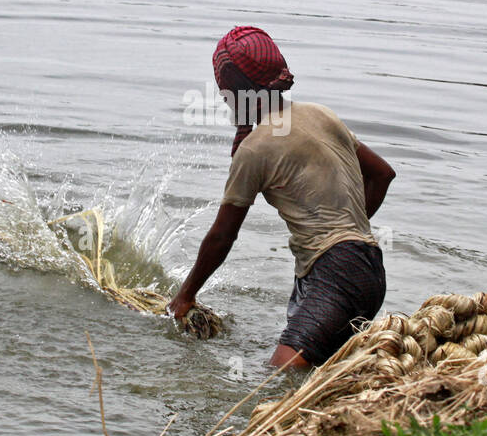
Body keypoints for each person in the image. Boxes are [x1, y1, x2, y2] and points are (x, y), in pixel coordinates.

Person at [167, 26, 396, 368]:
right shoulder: (321, 114)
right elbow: (382, 174)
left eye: (225, 91)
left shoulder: (255, 148)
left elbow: (222, 236)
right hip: (370, 268)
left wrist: (184, 296)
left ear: (234, 90)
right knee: (323, 371)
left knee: (279, 380)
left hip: (334, 274)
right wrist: (351, 233)